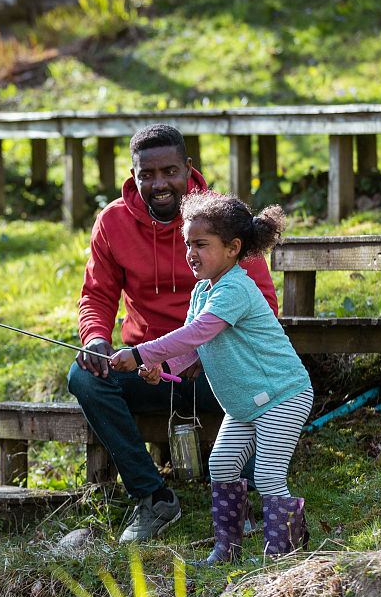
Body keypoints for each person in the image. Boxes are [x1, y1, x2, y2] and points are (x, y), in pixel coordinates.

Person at [68, 123, 279, 543]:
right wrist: (96, 340)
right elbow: (96, 296)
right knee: (84, 378)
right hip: (150, 368)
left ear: (188, 169)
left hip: (217, 368)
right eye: (147, 174)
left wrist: (206, 352)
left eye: (169, 172)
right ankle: (153, 499)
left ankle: (256, 499)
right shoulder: (112, 223)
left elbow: (264, 304)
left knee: (264, 380)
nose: (159, 184)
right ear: (134, 174)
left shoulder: (224, 217)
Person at [111, 190, 313, 562]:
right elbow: (192, 348)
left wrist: (141, 352)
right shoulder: (203, 290)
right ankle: (227, 549)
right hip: (244, 402)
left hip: (283, 394)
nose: (190, 254)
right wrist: (162, 367)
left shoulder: (235, 288)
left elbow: (198, 332)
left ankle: (285, 557)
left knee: (268, 476)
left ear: (233, 248)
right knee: (220, 465)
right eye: (188, 244)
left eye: (201, 244)